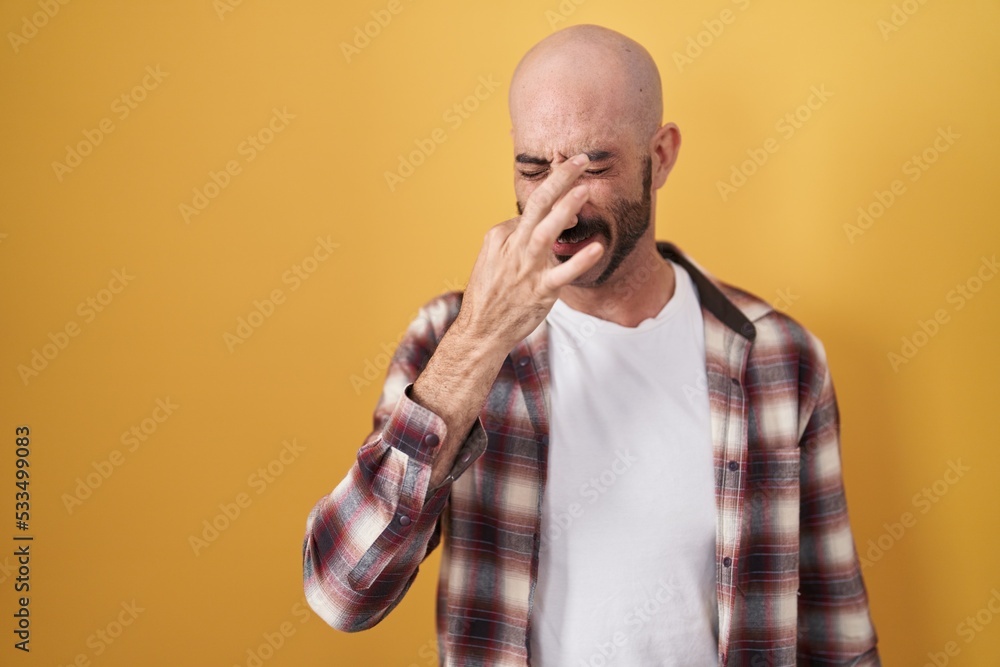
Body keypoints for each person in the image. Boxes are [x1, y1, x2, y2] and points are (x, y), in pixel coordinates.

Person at [302, 24, 880, 666]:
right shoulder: (449, 340)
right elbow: (342, 592)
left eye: (593, 166)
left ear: (659, 157)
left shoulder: (780, 357)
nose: (559, 205)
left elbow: (837, 633)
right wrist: (478, 341)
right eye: (532, 169)